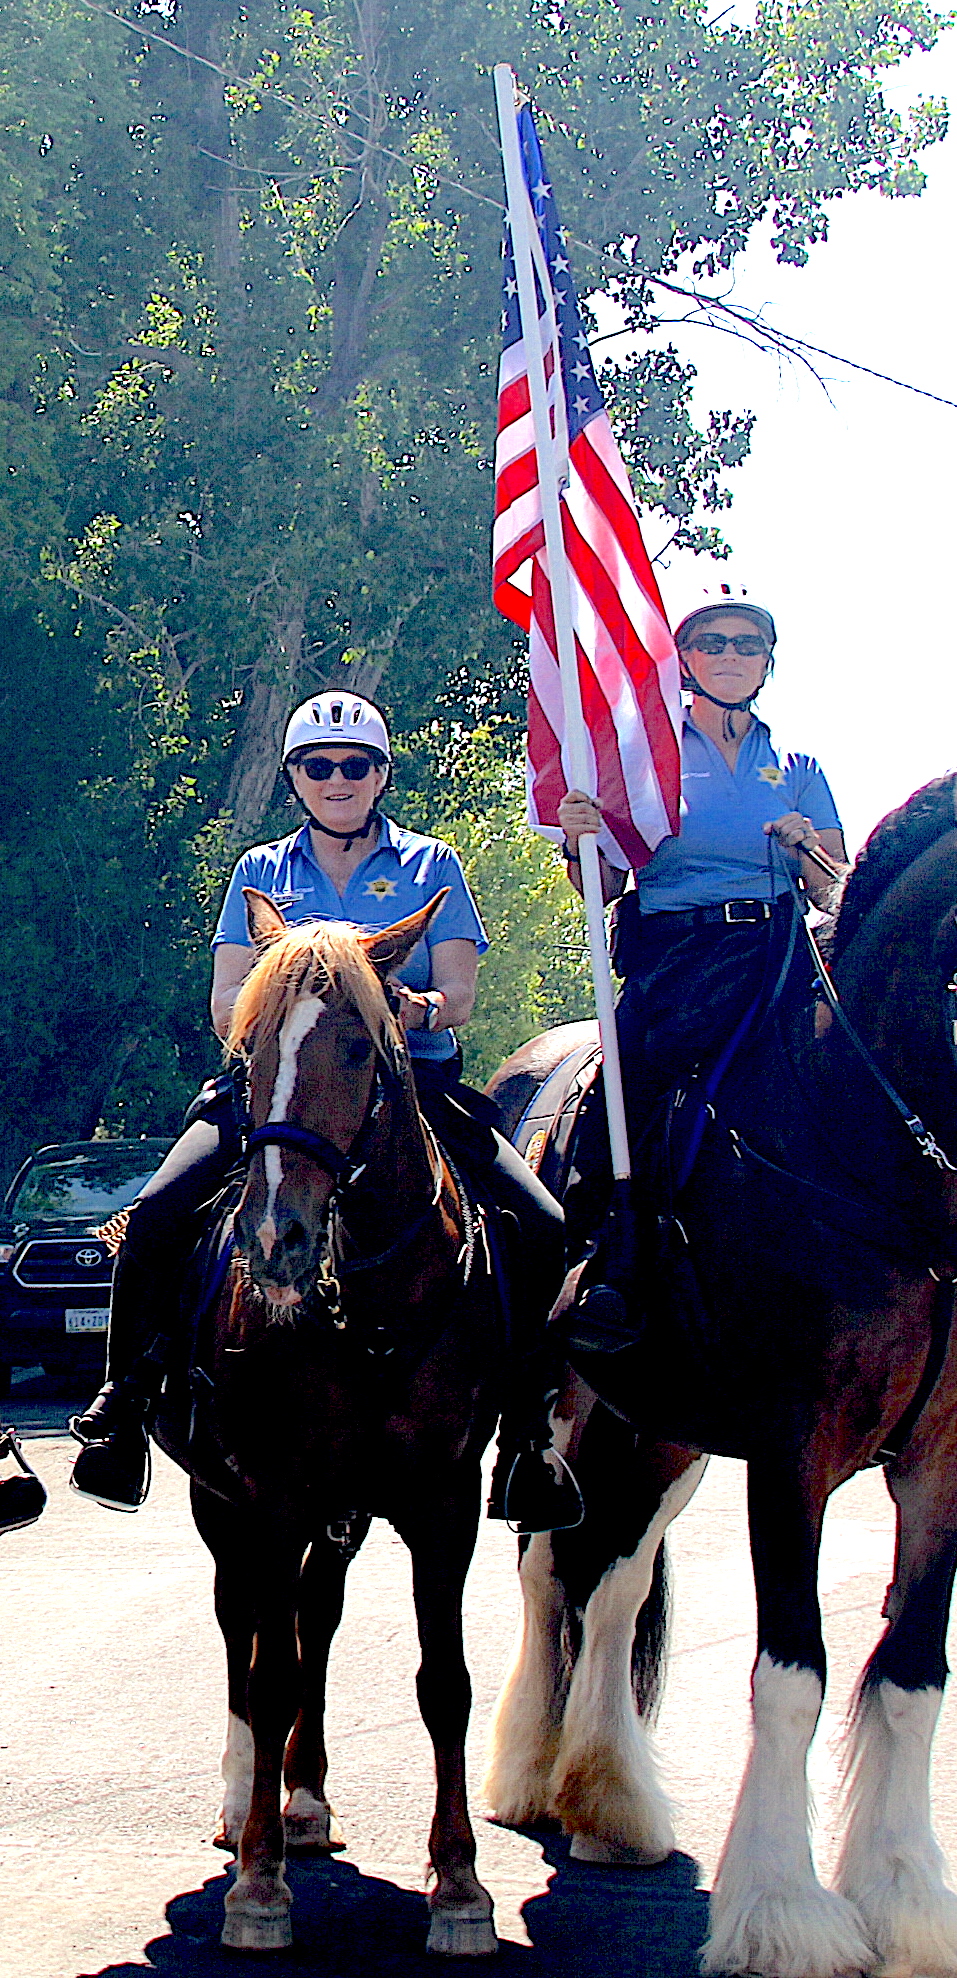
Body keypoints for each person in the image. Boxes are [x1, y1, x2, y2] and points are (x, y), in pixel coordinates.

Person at [70, 692, 575, 1529]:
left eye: (355, 764)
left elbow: (459, 992)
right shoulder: (260, 872)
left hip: (409, 1090)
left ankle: (527, 1433)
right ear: (294, 777)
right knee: (156, 1213)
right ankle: (122, 1405)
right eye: (318, 765)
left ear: (381, 775)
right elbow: (226, 1002)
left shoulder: (431, 864)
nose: (337, 779)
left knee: (542, 1223)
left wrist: (412, 1009)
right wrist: (287, 1019)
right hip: (277, 1094)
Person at [555, 593, 847, 1347]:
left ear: (767, 663)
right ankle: (607, 1258)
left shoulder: (799, 767)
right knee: (623, 1088)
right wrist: (580, 841)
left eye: (748, 644)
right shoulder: (645, 757)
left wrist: (807, 849)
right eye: (712, 643)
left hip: (778, 956)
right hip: (676, 960)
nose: (730, 656)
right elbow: (602, 885)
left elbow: (834, 892)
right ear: (683, 660)